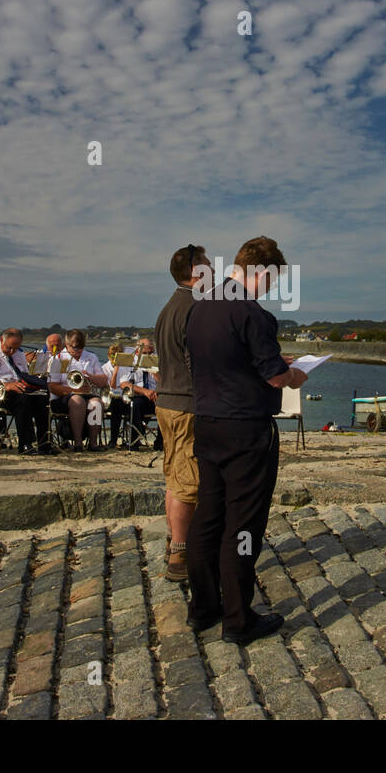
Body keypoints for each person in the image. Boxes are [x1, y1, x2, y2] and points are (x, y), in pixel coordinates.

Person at [185, 236, 307, 646]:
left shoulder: (200, 309)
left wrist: (272, 365)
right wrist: (294, 375)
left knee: (207, 516)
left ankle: (203, 608)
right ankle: (238, 620)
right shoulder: (254, 314)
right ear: (263, 272)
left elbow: (228, 360)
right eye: (272, 280)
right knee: (243, 524)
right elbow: (273, 377)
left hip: (206, 422)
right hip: (246, 429)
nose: (272, 288)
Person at [155, 244, 212, 582]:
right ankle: (180, 553)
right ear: (195, 270)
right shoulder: (194, 307)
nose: (213, 269)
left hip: (168, 402)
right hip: (187, 405)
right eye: (207, 263)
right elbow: (196, 363)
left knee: (175, 478)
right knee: (188, 483)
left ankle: (177, 542)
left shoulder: (169, 307)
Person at [0, 328, 56, 455]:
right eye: (9, 348)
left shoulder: (18, 353)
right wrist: (7, 386)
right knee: (23, 400)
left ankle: (44, 442)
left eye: (15, 348)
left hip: (18, 390)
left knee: (42, 398)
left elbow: (23, 375)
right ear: (2, 340)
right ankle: (25, 443)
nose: (12, 351)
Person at [48, 329, 108, 450]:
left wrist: (90, 377)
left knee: (97, 404)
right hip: (64, 397)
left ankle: (93, 443)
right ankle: (78, 442)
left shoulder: (91, 357)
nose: (78, 351)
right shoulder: (57, 359)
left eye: (81, 347)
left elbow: (103, 380)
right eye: (75, 348)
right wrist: (73, 390)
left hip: (88, 394)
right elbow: (52, 386)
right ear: (67, 344)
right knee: (78, 401)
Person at [104, 338, 159, 450]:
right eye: (145, 353)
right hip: (138, 395)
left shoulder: (155, 360)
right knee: (135, 405)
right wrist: (145, 391)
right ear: (138, 351)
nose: (148, 355)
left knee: (166, 406)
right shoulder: (129, 362)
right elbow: (124, 383)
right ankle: (133, 441)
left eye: (150, 352)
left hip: (154, 396)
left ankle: (160, 442)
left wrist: (155, 373)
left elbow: (163, 382)